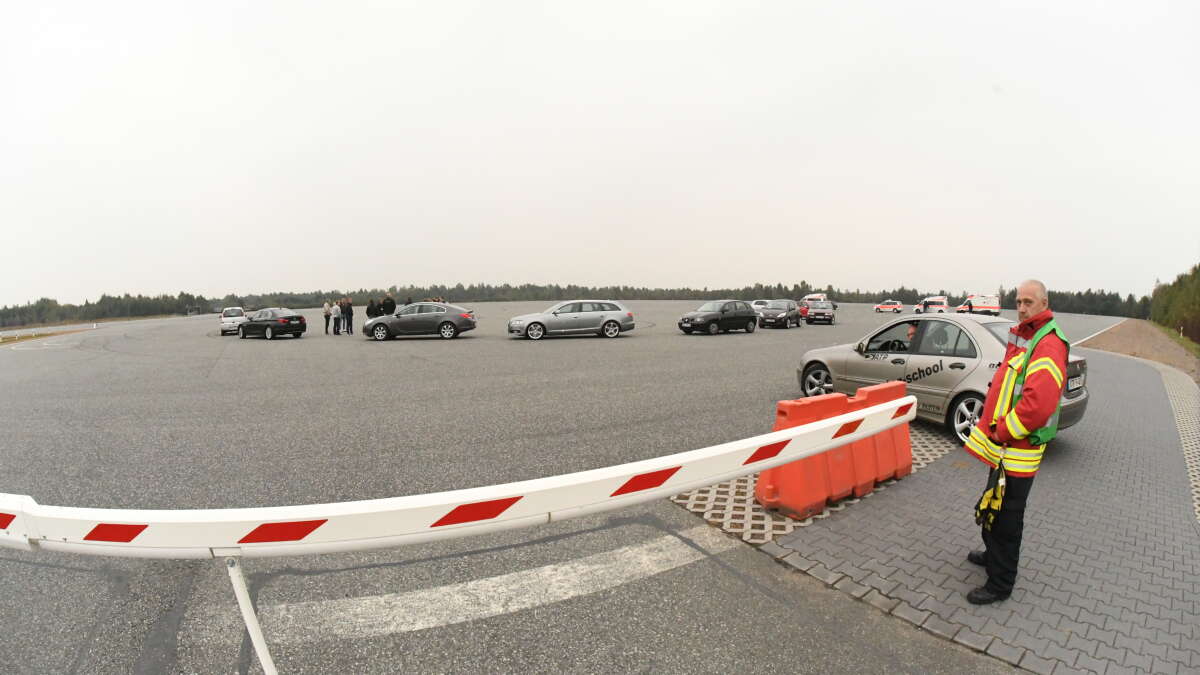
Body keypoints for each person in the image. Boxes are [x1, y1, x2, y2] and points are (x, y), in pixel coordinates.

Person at [961, 279, 1068, 605]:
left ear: (1043, 303)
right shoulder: (1027, 335)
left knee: (1008, 518)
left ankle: (1000, 583)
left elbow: (1037, 406)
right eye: (1018, 301)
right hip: (1004, 450)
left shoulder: (1047, 344)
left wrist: (1002, 430)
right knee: (994, 503)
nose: (1021, 308)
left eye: (1028, 302)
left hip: (1016, 450)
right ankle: (992, 555)